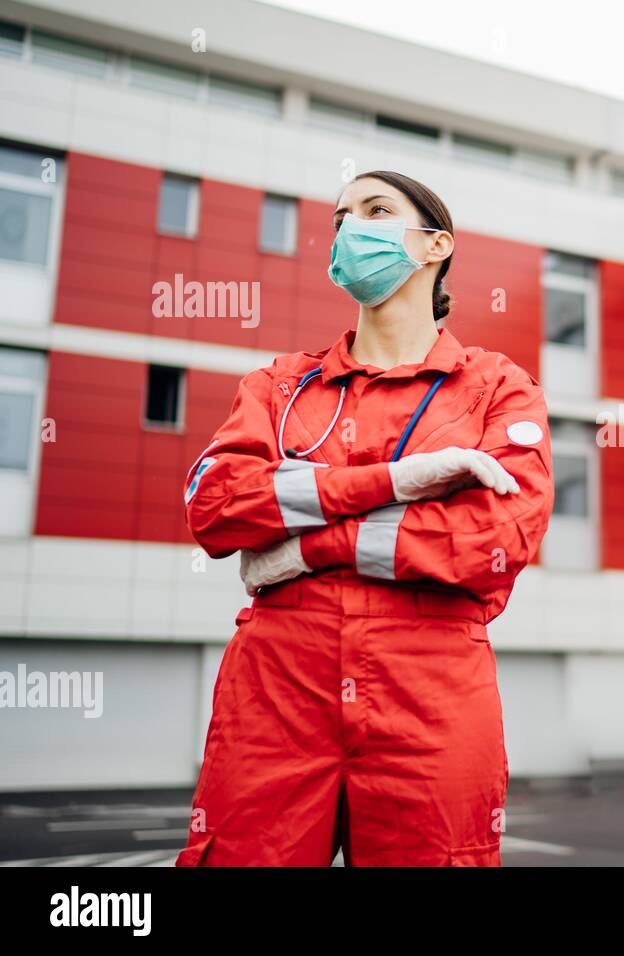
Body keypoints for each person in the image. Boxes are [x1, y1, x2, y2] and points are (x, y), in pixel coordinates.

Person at [174, 170, 553, 866]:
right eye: (343, 216)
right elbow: (217, 506)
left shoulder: (498, 387)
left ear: (436, 245)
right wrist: (396, 483)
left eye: (376, 211)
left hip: (432, 694)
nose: (350, 228)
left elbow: (494, 540)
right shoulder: (280, 385)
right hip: (275, 693)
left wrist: (310, 543)